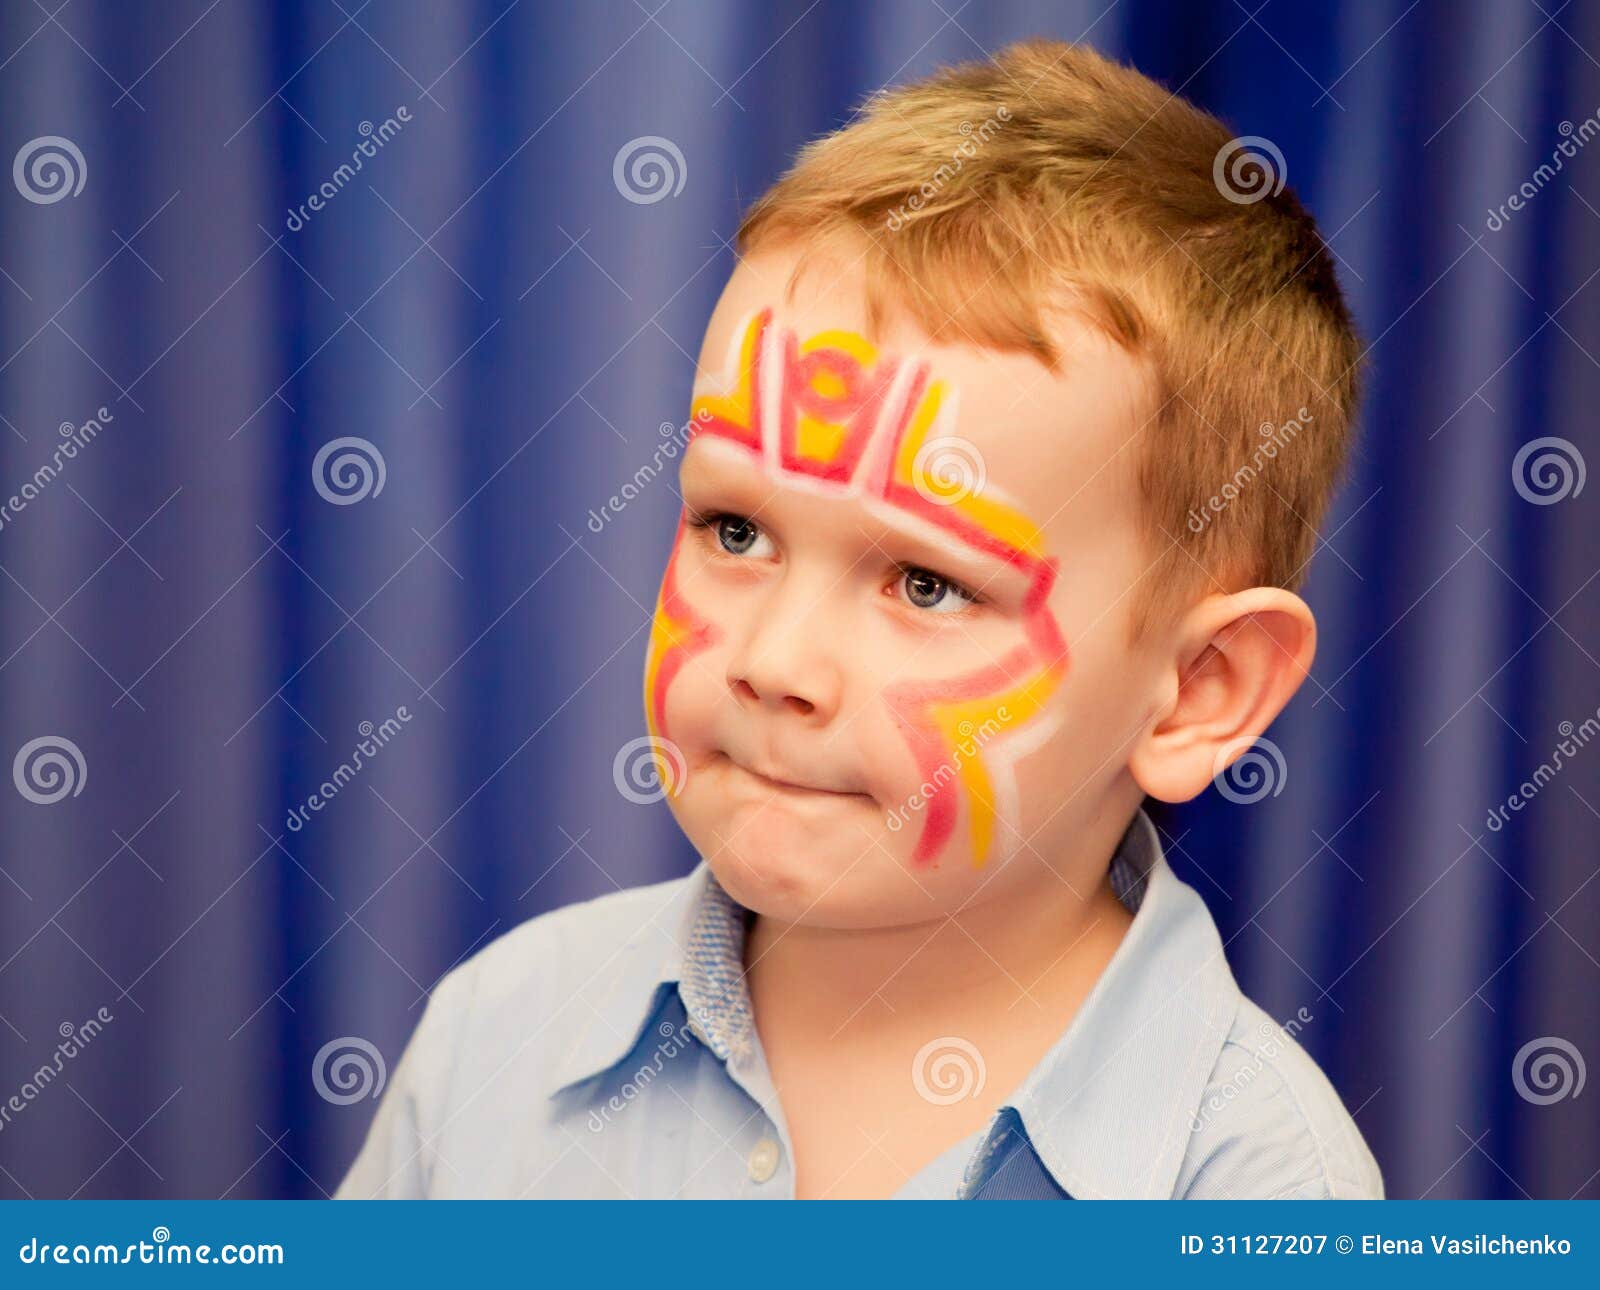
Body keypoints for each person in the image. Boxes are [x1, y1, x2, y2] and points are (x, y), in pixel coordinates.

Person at [337, 37, 1383, 1200]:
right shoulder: (497, 1039)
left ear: (1198, 692)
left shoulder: (1255, 1184)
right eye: (736, 531)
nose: (774, 660)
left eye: (926, 585)